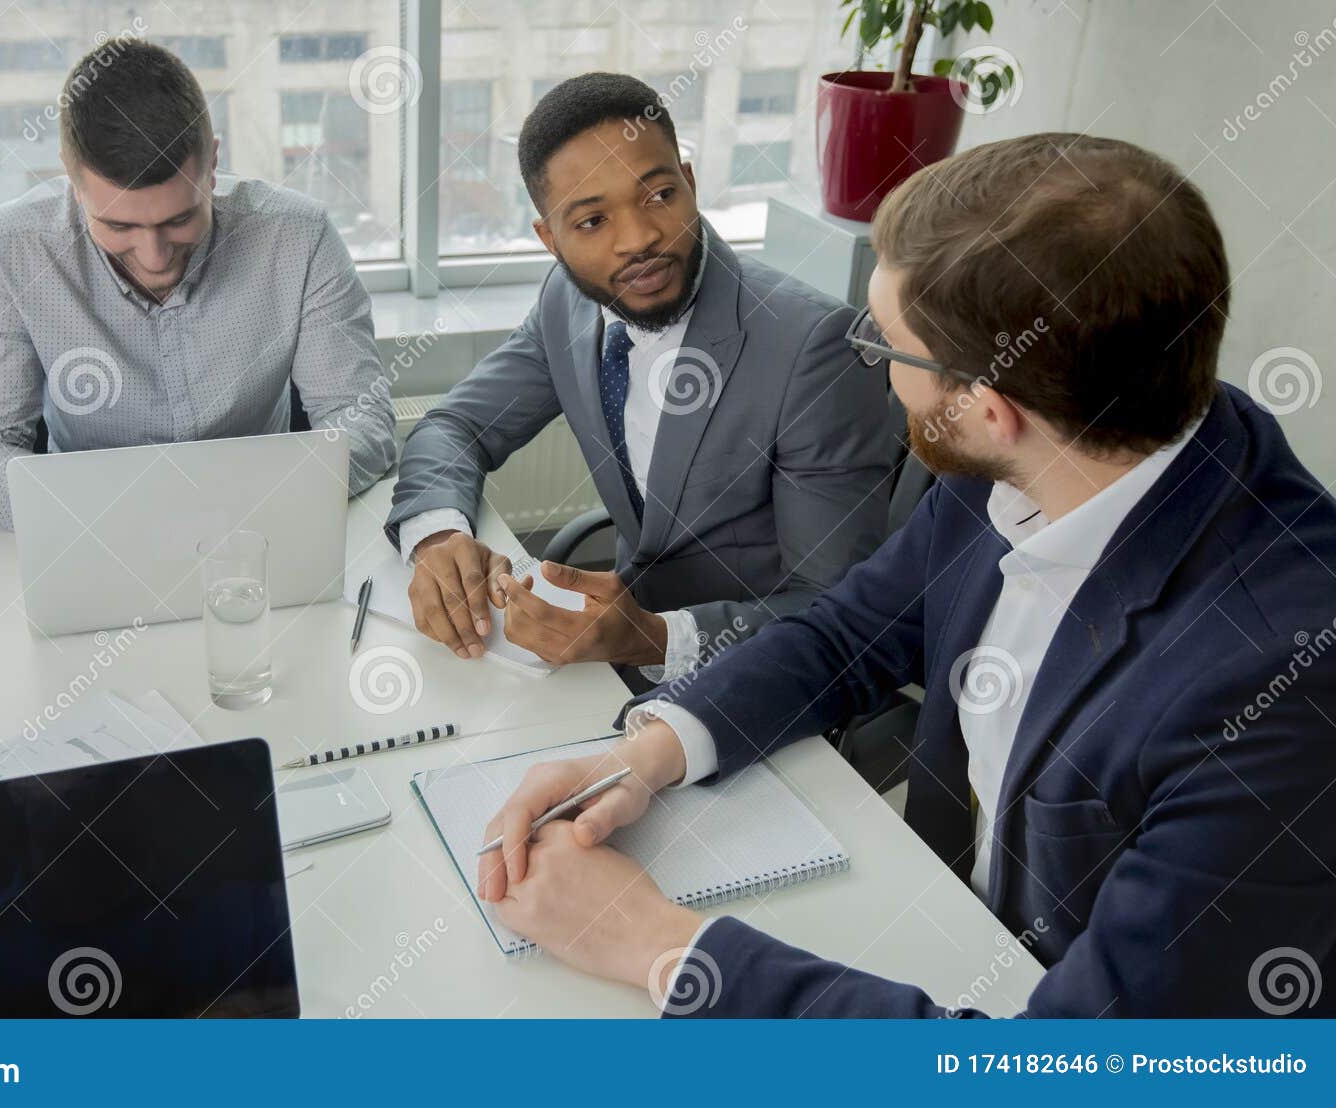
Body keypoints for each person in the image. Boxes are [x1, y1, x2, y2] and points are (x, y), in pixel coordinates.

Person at [474, 133, 1336, 1017]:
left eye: (890, 349)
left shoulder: (1283, 691)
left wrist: (656, 945)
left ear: (991, 411)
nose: (878, 371)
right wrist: (645, 755)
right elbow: (849, 636)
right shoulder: (1064, 436)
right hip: (946, 932)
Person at [386, 73, 890, 681]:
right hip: (613, 656)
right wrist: (438, 538)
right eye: (592, 222)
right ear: (551, 240)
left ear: (691, 184)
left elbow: (838, 611)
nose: (641, 238)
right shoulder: (567, 302)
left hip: (757, 677)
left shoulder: (812, 346)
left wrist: (656, 639)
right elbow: (456, 426)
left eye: (658, 195)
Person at [0, 40, 397, 529]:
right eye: (119, 227)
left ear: (213, 162)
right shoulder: (5, 253)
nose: (155, 257)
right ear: (73, 182)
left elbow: (360, 416)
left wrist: (251, 499)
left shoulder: (299, 237)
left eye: (180, 219)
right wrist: (80, 517)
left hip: (261, 526)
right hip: (87, 535)